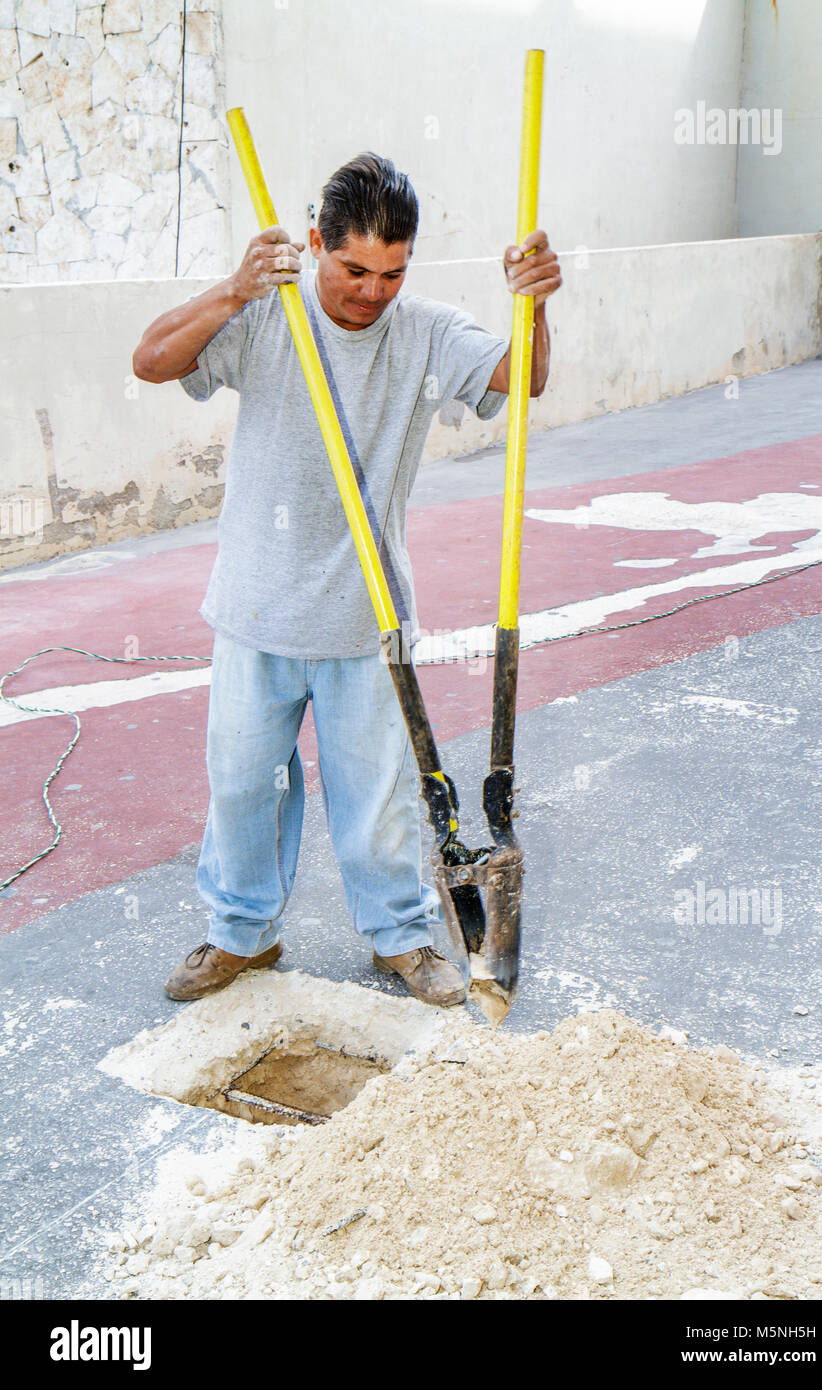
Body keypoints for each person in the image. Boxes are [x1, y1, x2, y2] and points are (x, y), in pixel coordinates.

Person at [132, 152, 561, 1008]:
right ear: (317, 240)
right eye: (355, 269)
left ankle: (401, 938)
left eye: (392, 274)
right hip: (257, 607)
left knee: (381, 799)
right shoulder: (269, 313)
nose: (371, 292)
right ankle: (240, 937)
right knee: (245, 787)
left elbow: (526, 376)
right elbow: (149, 360)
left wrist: (536, 307)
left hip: (370, 618)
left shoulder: (426, 332)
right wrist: (234, 288)